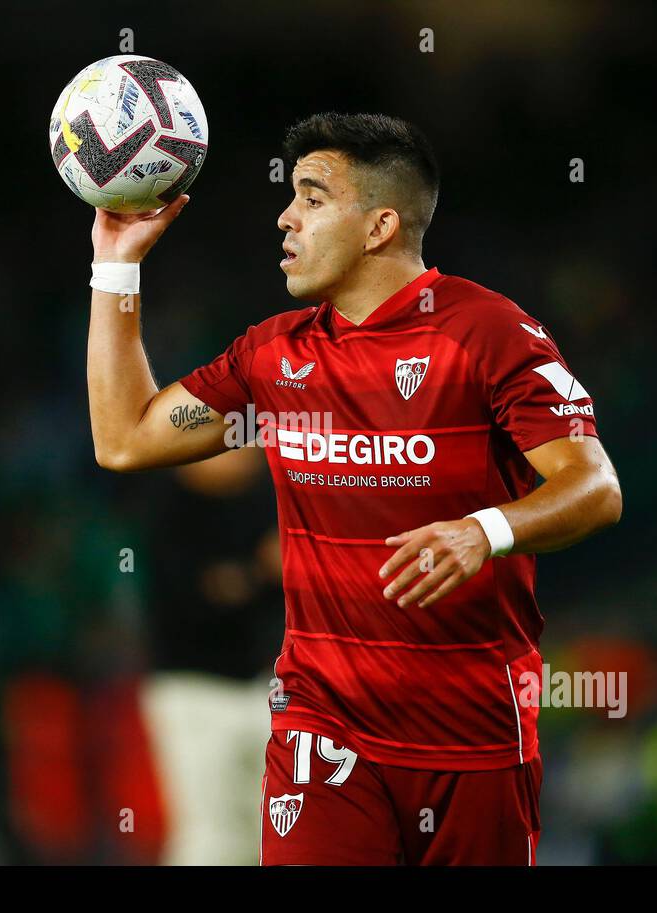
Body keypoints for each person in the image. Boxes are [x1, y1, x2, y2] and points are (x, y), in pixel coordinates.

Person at [84, 112, 622, 865]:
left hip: (469, 731)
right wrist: (116, 265)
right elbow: (125, 438)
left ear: (379, 226)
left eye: (310, 196)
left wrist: (484, 530)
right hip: (321, 727)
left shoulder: (489, 335)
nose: (284, 216)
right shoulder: (274, 355)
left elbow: (594, 485)